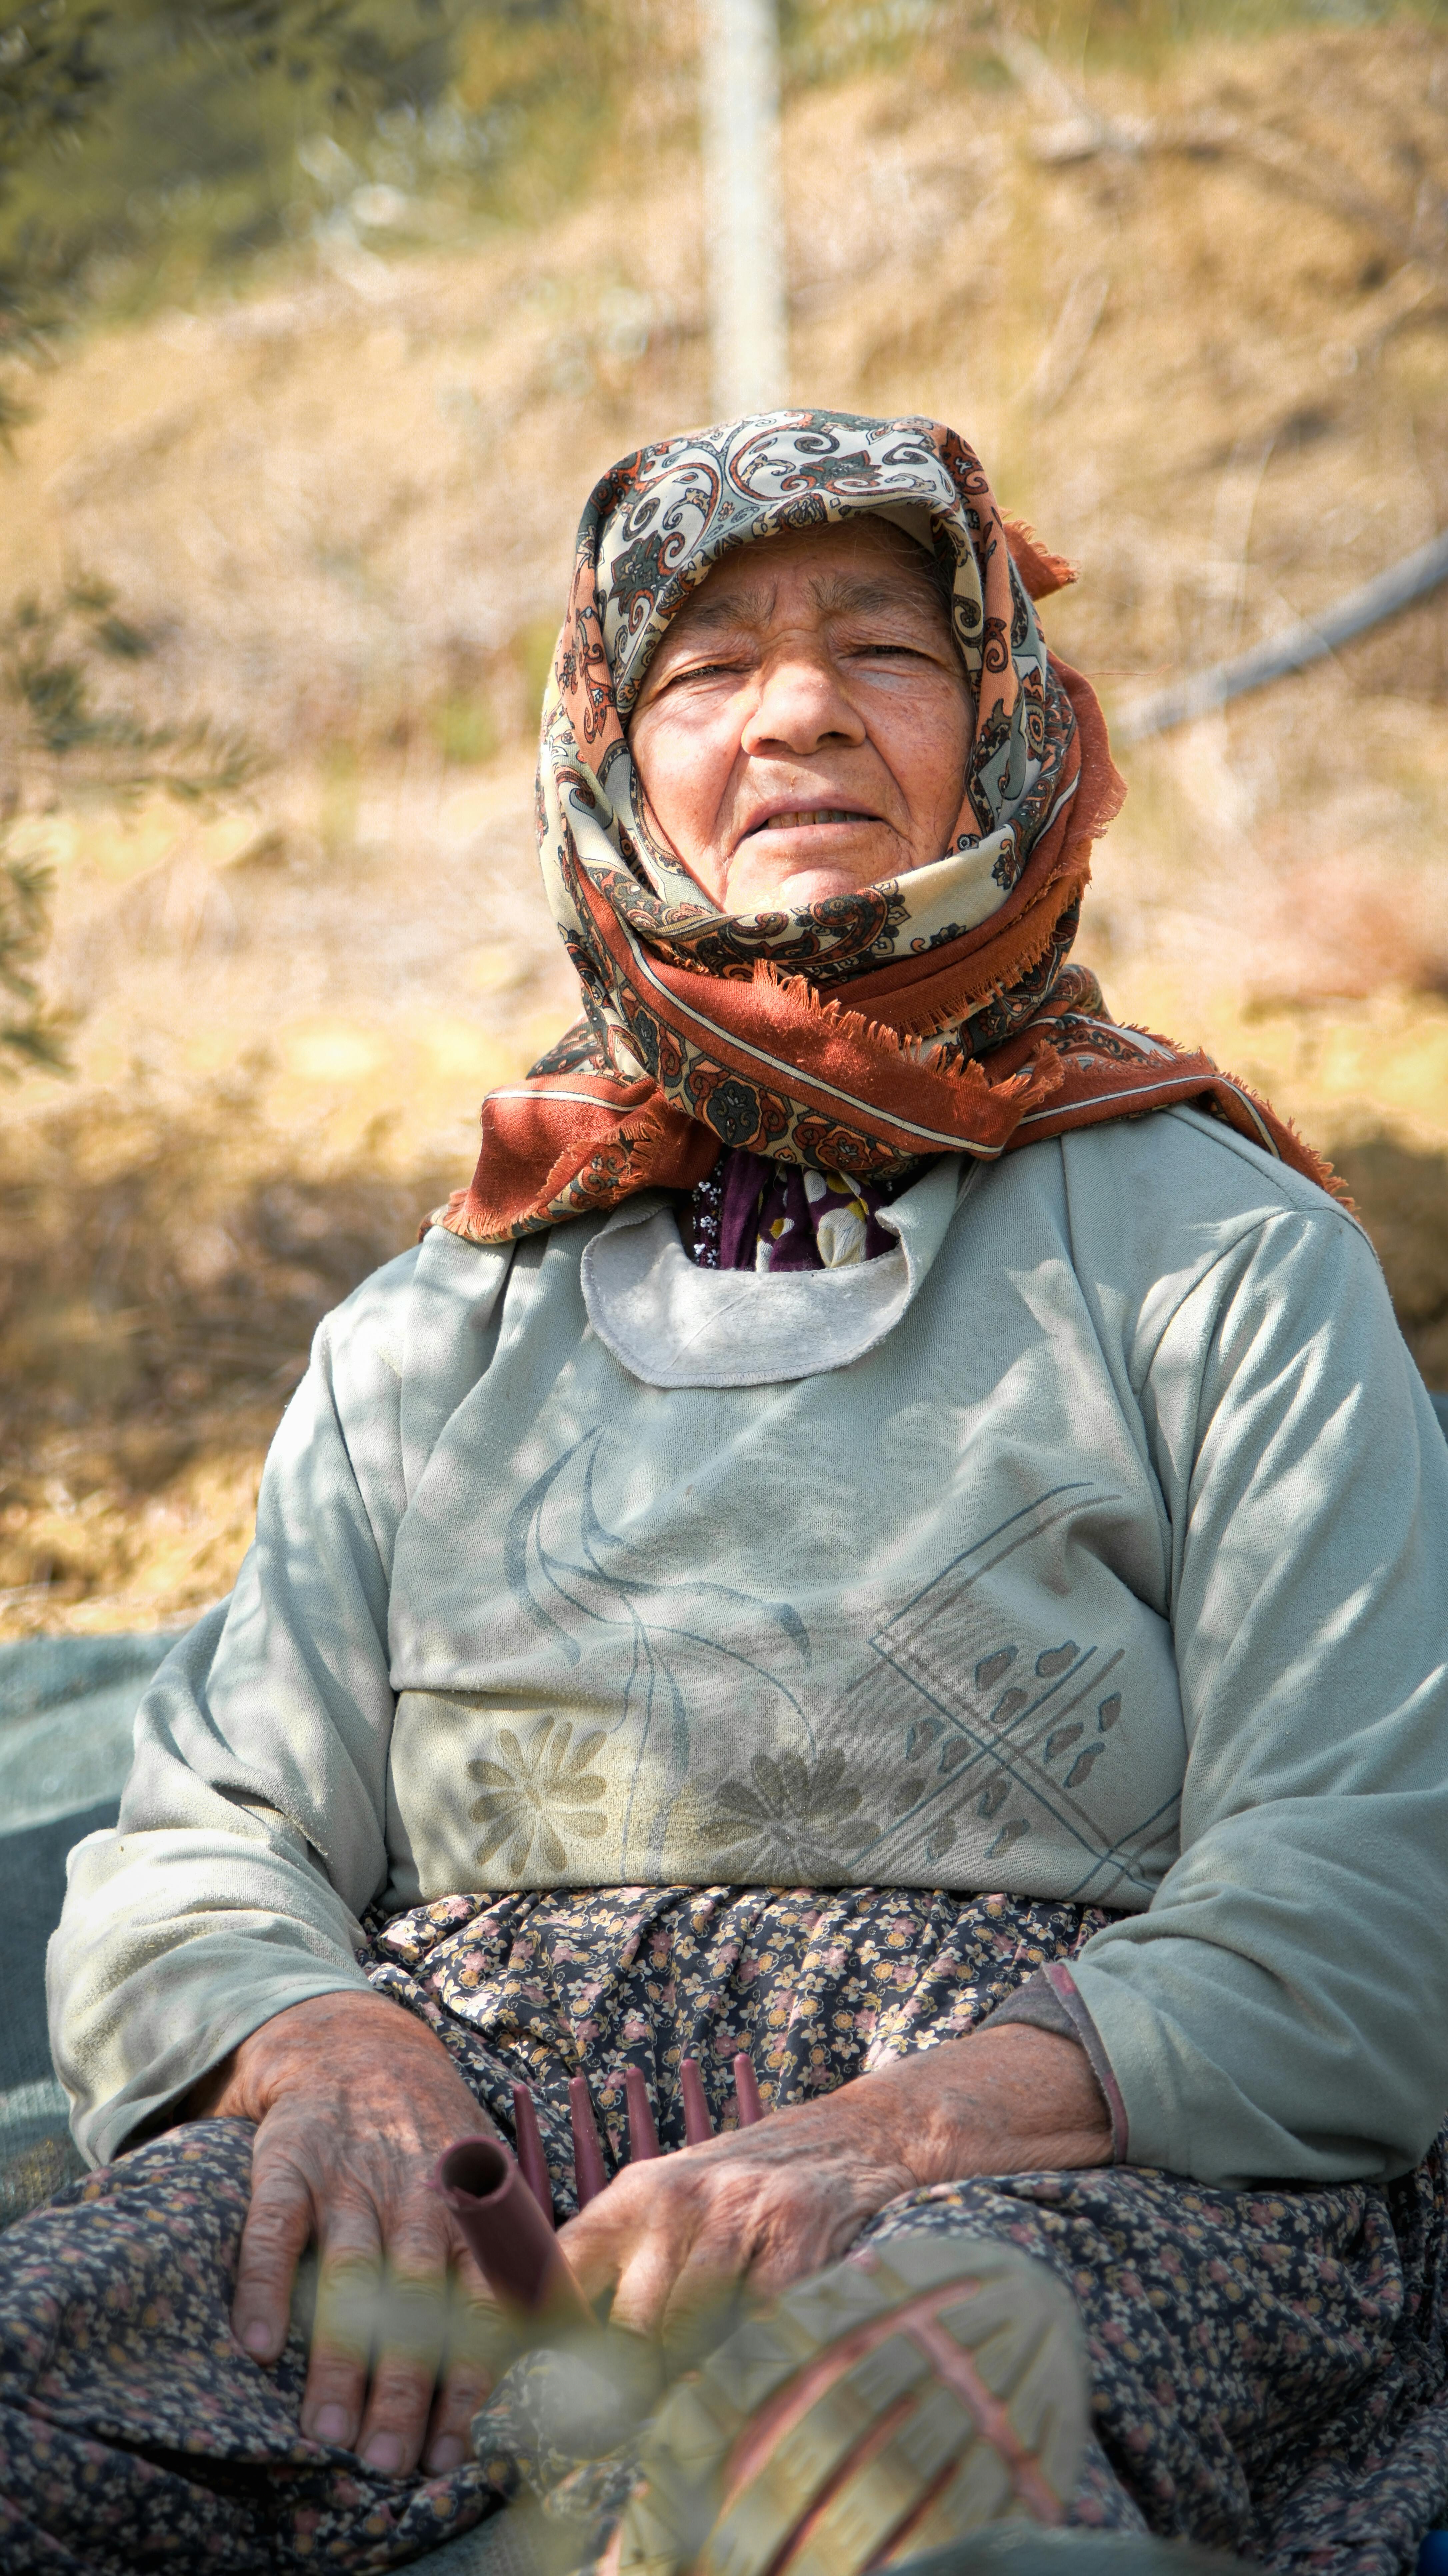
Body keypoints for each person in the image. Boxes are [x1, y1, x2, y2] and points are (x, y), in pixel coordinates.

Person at [4, 408, 1448, 2576]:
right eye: (706, 671)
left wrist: (898, 2137)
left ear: (1001, 727)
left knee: (911, 2425)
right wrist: (329, 2057)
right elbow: (203, 1834)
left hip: (1041, 2161)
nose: (795, 712)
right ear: (613, 758)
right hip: (471, 2167)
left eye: (880, 648)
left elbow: (1363, 1890)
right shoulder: (446, 1314)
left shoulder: (1220, 1255)